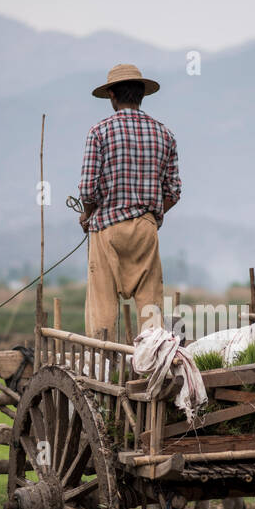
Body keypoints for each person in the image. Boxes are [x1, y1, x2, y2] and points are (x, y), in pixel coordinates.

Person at [77, 64, 181, 339]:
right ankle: (153, 361)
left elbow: (88, 190)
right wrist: (151, 216)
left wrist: (86, 215)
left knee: (102, 306)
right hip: (146, 229)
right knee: (151, 306)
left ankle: (103, 364)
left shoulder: (99, 132)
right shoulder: (165, 134)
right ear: (141, 94)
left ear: (112, 95)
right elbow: (173, 192)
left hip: (107, 227)